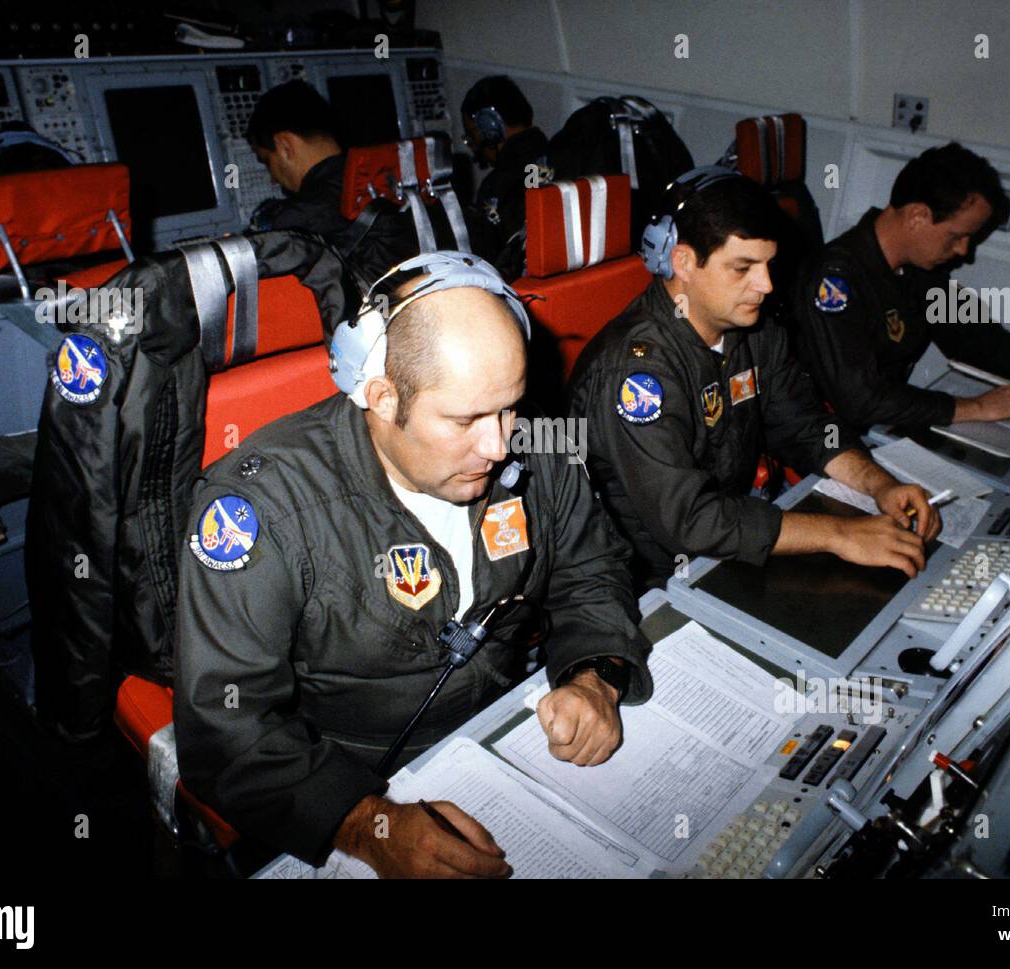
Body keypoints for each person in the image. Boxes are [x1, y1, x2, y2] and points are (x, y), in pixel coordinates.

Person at [174, 252, 652, 878]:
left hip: (510, 737)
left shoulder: (532, 445)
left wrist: (594, 674)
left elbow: (592, 571)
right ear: (379, 396)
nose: (501, 445)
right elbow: (226, 731)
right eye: (465, 419)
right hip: (351, 780)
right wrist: (367, 825)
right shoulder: (259, 512)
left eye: (510, 406)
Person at [568, 169, 941, 592]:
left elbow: (806, 427)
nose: (764, 285)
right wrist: (840, 534)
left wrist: (880, 484)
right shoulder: (636, 376)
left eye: (768, 265)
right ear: (683, 261)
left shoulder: (754, 332)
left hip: (730, 536)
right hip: (648, 575)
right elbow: (688, 521)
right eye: (742, 268)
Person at [794, 142, 1010, 432]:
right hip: (821, 432)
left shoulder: (919, 269)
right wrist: (977, 407)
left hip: (879, 420)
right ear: (918, 216)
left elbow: (972, 336)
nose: (964, 250)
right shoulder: (835, 280)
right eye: (957, 236)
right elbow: (859, 400)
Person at [244, 79, 351, 236]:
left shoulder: (292, 223)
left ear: (286, 147)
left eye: (268, 162)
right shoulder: (380, 184)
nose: (273, 179)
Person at [461, 76, 552, 258]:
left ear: (490, 128)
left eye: (472, 135)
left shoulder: (495, 187)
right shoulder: (559, 156)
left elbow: (485, 258)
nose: (472, 144)